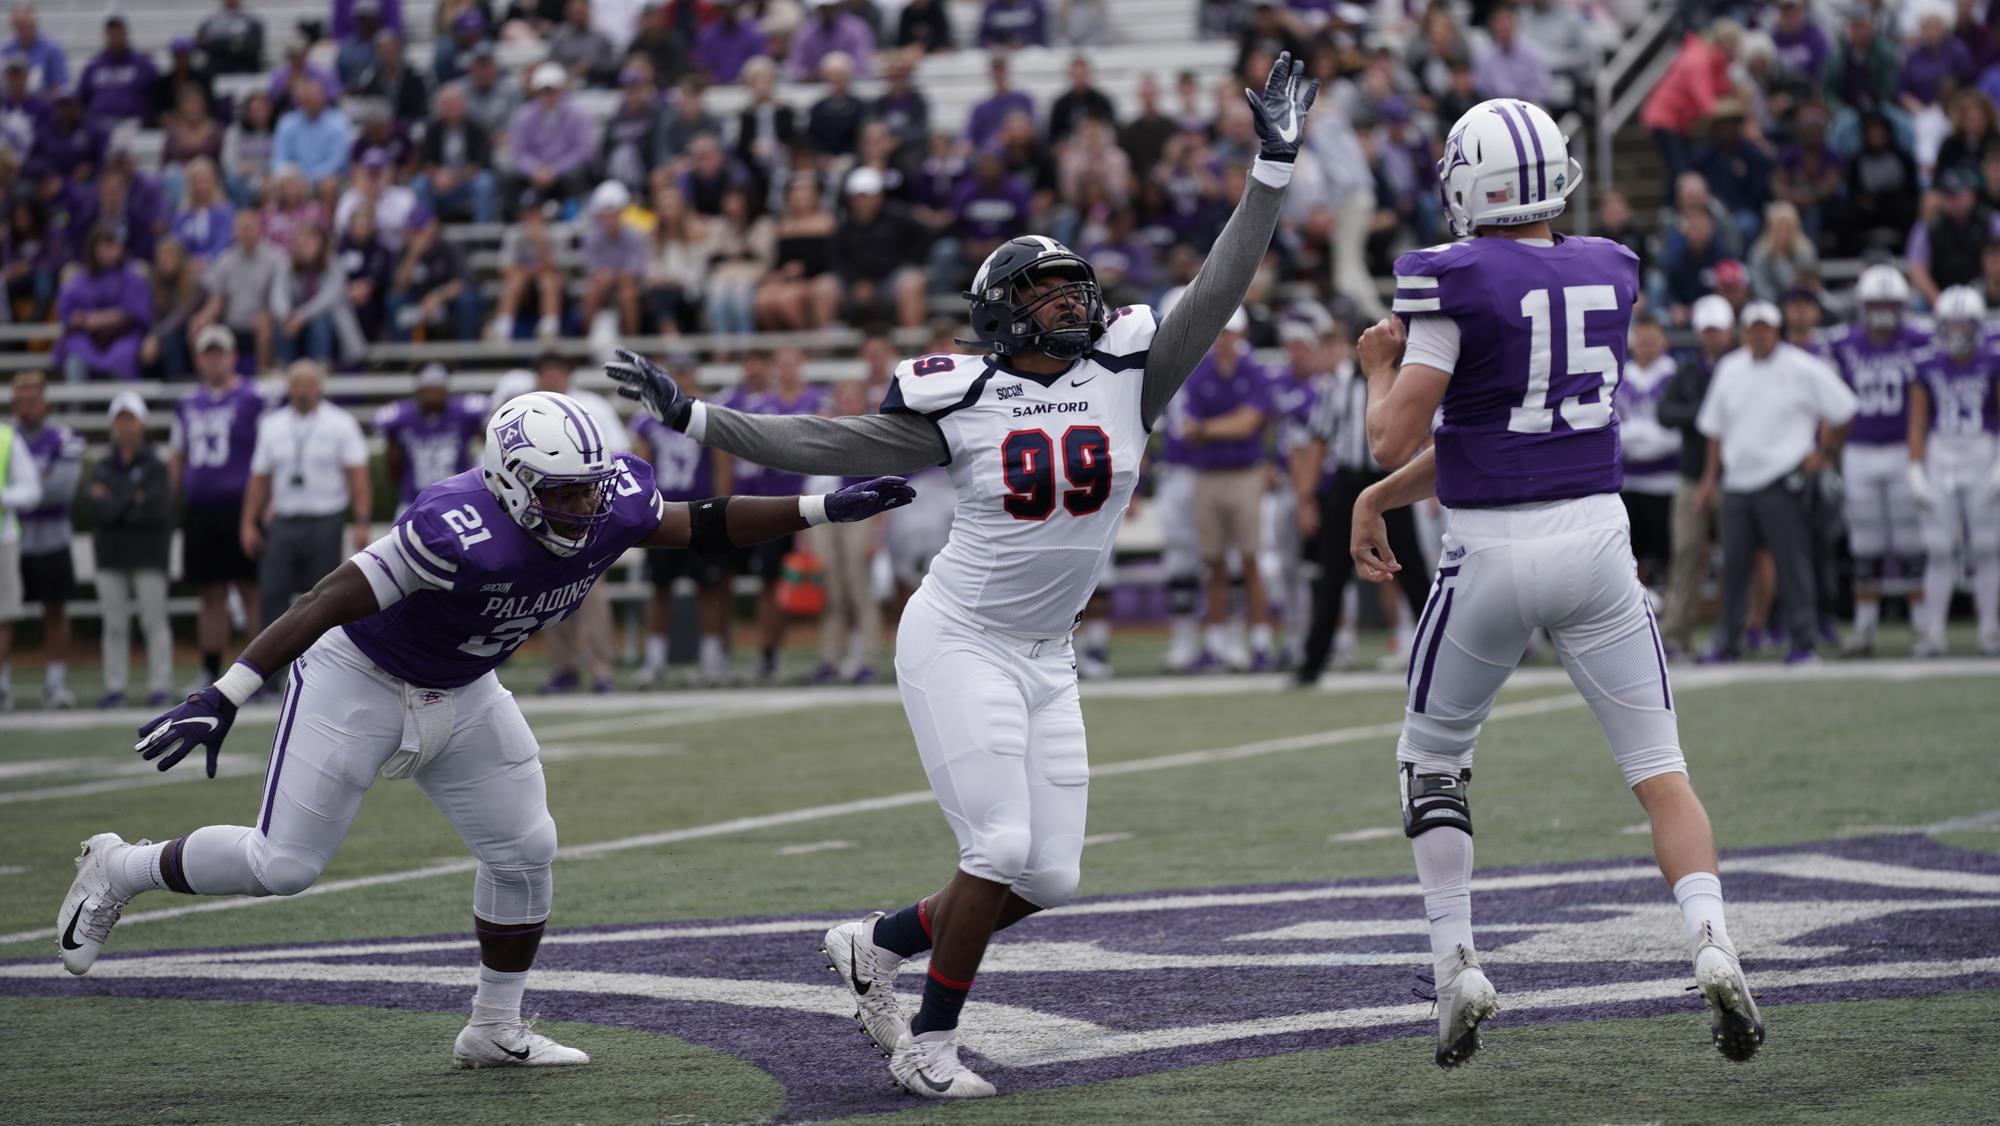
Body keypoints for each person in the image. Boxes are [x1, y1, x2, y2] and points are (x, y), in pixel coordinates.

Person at [608, 52, 1317, 1099]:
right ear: (997, 309)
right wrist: (697, 417)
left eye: (1071, 288)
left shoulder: (1133, 370)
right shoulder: (961, 399)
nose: (1067, 305)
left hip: (1047, 653)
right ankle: (928, 1045)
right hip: (959, 636)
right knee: (997, 844)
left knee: (1050, 875)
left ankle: (877, 942)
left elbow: (1221, 279)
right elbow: (826, 440)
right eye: (1040, 291)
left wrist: (1270, 164)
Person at [55, 394, 914, 1077]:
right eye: (561, 492)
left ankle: (494, 1029)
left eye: (591, 488)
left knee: (525, 849)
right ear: (508, 482)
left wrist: (823, 507)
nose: (583, 507)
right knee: (283, 867)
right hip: (361, 679)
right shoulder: (454, 528)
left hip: (464, 687)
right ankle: (121, 867)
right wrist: (230, 687)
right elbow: (324, 599)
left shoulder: (611, 498)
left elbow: (702, 524)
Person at [1350, 97, 1764, 1071]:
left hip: (1488, 551)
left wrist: (1373, 368)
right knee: (1660, 772)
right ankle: (1709, 937)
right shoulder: (1608, 268)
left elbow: (1392, 430)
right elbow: (1514, 425)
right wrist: (1383, 492)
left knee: (1431, 759)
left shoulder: (1449, 278)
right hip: (1595, 542)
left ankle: (1455, 964)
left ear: (1467, 184)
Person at [1695, 300, 1855, 664]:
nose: (1759, 334)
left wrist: (1825, 454)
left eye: (1765, 327)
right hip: (1737, 483)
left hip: (1783, 480)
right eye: (1753, 328)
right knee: (1733, 568)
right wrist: (1709, 480)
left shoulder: (1801, 366)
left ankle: (1802, 642)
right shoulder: (1730, 369)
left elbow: (1843, 408)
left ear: (1777, 330)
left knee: (1792, 564)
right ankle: (1726, 642)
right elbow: (1714, 430)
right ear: (1744, 332)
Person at [1292, 324, 1429, 684]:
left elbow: (1427, 433)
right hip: (1348, 484)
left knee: (1414, 573)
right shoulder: (1335, 383)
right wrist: (1306, 498)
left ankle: (1438, 657)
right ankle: (1312, 663)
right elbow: (1319, 441)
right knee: (1332, 574)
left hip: (1393, 484)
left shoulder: (1404, 379)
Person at [1826, 264, 1929, 656]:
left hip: (1905, 450)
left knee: (1910, 541)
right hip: (1859, 450)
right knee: (1864, 543)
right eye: (1876, 303)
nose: (1883, 310)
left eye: (1890, 303)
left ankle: (1922, 628)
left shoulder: (1920, 340)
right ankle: (1865, 629)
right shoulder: (1844, 343)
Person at [242, 361, 372, 633]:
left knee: (323, 597)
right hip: (283, 520)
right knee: (272, 594)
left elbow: (358, 476)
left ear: (319, 387)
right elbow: (259, 479)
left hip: (325, 519)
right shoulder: (272, 425)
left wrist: (362, 520)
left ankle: (318, 665)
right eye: (296, 385)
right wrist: (248, 522)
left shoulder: (340, 423)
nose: (302, 391)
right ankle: (268, 672)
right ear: (288, 388)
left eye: (308, 385)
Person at [171, 325, 267, 691]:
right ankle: (211, 670)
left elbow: (268, 454)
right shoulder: (187, 403)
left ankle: (257, 669)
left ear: (232, 356)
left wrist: (264, 506)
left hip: (241, 507)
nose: (214, 359)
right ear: (198, 359)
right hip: (200, 509)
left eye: (220, 352)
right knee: (209, 593)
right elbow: (178, 456)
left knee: (249, 589)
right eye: (207, 353)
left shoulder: (253, 397)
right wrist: (173, 500)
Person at [1906, 287, 2000, 656]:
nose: (1958, 333)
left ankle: (1990, 631)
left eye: (1965, 326)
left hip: (1981, 450)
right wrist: (1915, 468)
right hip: (1941, 453)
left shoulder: (1992, 359)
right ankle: (1933, 634)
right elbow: (1916, 422)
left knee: (1988, 548)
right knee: (1939, 548)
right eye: (1952, 325)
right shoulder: (1926, 363)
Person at [1181, 308, 1276, 670]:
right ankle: (1219, 642)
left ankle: (1261, 642)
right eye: (1222, 333)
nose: (1225, 340)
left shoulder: (1252, 371)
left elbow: (1249, 424)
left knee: (1251, 561)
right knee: (1214, 563)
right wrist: (1227, 426)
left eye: (1230, 333)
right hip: (1209, 473)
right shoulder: (1202, 372)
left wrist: (1209, 429)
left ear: (1241, 334)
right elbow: (1196, 426)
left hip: (1243, 473)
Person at [632, 356, 732, 688]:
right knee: (659, 587)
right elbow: (640, 464)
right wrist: (642, 509)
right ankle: (656, 659)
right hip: (663, 511)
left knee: (710, 587)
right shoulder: (650, 416)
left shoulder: (708, 411)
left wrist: (722, 509)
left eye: (687, 371)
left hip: (701, 510)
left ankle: (712, 659)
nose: (683, 378)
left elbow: (722, 464)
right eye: (677, 372)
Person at [1655, 295, 1736, 656]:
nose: (1711, 337)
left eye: (1717, 330)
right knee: (1685, 555)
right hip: (1692, 475)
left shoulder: (1741, 367)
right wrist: (1706, 416)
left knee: (1739, 557)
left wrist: (1703, 416)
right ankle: (1675, 633)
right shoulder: (1687, 370)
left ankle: (1739, 630)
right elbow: (1665, 413)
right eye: (1706, 330)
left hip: (1735, 476)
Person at [90, 391, 175, 707]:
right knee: (114, 624)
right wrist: (132, 498)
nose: (126, 426)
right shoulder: (103, 464)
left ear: (142, 423)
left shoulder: (154, 465)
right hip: (111, 553)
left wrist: (114, 499)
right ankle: (115, 686)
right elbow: (97, 509)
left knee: (153, 621)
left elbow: (158, 509)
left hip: (148, 553)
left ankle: (160, 685)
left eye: (131, 419)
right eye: (120, 419)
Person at [10, 372, 84, 708]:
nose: (27, 406)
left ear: (45, 401)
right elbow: (45, 486)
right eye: (20, 399)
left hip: (52, 538)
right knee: (4, 615)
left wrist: (22, 491)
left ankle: (55, 684)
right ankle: (3, 687)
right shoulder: (6, 438)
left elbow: (61, 489)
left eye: (32, 398)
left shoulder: (62, 437)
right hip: (11, 540)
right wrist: (34, 484)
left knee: (55, 611)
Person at [809, 379, 885, 685]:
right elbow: (811, 478)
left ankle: (866, 657)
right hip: (825, 513)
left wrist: (880, 528)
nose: (848, 403)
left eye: (853, 397)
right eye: (844, 397)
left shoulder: (873, 433)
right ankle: (829, 657)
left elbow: (886, 482)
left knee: (859, 587)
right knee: (829, 590)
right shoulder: (826, 432)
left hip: (860, 515)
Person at [1618, 318, 1681, 589]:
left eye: (1652, 339)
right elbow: (1614, 429)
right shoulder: (1619, 375)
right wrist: (1645, 434)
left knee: (1668, 550)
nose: (1646, 346)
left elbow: (1673, 435)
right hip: (1627, 482)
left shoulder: (1675, 375)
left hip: (1666, 482)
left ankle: (1668, 605)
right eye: (1641, 340)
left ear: (1664, 342)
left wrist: (1634, 435)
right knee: (1631, 553)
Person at [376, 364, 487, 512]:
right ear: (418, 391)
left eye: (437, 390)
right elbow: (393, 467)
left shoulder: (464, 413)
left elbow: (488, 443)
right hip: (413, 501)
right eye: (428, 390)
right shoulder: (400, 418)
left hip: (458, 500)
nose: (433, 396)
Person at [195, 210, 290, 371]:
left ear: (260, 230)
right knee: (197, 325)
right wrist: (204, 316)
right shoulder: (225, 259)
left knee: (263, 324)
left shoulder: (276, 258)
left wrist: (270, 314)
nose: (246, 234)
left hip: (263, 321)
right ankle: (205, 378)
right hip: (230, 322)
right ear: (235, 232)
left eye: (250, 228)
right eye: (242, 229)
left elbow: (278, 297)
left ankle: (262, 372)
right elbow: (216, 299)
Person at [55, 229, 152, 383]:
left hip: (124, 336)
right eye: (103, 247)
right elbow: (68, 313)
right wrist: (80, 319)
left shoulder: (132, 277)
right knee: (75, 358)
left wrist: (103, 318)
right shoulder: (80, 279)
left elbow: (138, 312)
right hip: (87, 338)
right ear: (93, 250)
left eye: (112, 246)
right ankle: (75, 406)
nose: (108, 252)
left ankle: (124, 405)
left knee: (122, 357)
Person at [0, 396, 42, 711]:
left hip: (3, 540)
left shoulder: (7, 438)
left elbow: (31, 490)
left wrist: (2, 496)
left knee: (4, 617)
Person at [509, 63, 596, 212]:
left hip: (565, 172)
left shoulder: (578, 114)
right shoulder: (524, 115)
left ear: (562, 90)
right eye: (544, 91)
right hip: (537, 172)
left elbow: (583, 150)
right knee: (509, 175)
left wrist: (555, 170)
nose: (548, 96)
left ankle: (574, 218)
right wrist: (535, 169)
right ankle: (515, 218)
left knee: (575, 176)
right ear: (537, 92)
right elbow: (520, 152)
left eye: (552, 90)